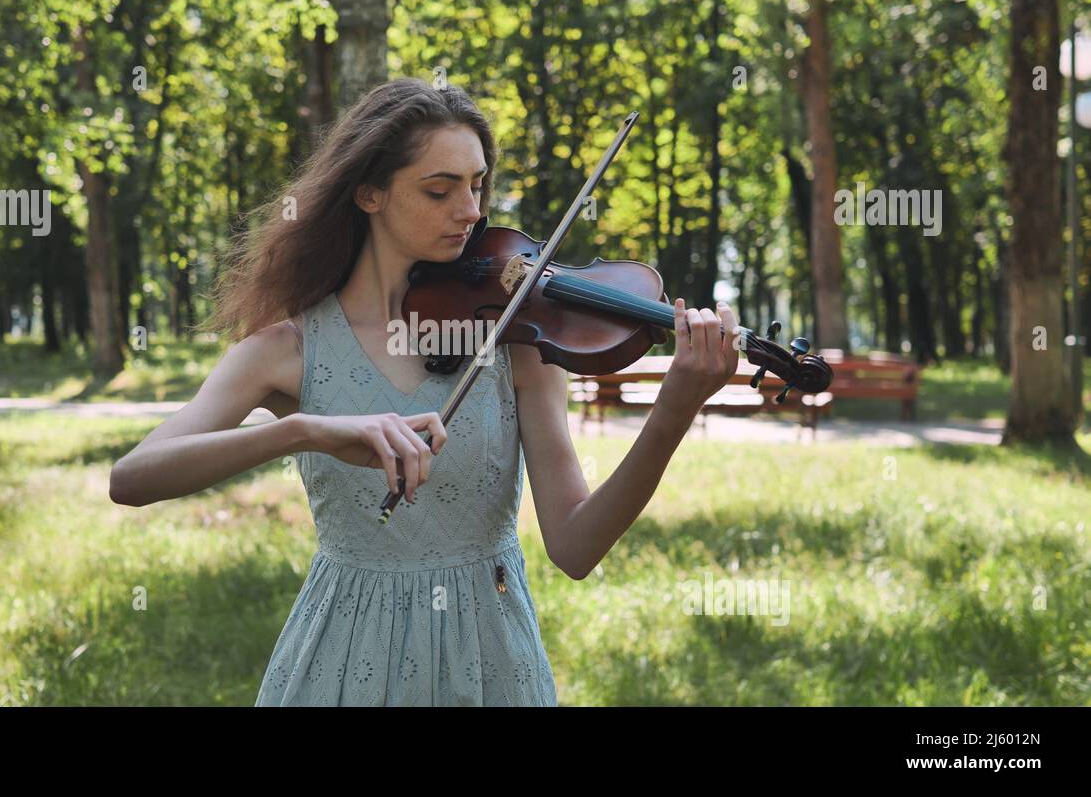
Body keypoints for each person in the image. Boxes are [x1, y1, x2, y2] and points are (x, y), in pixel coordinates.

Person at [108, 77, 741, 706]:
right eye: (439, 190)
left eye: (476, 185)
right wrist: (301, 430)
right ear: (369, 193)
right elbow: (132, 478)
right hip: (341, 660)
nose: (471, 211)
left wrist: (674, 411)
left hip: (489, 662)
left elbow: (575, 547)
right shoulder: (289, 348)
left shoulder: (514, 331)